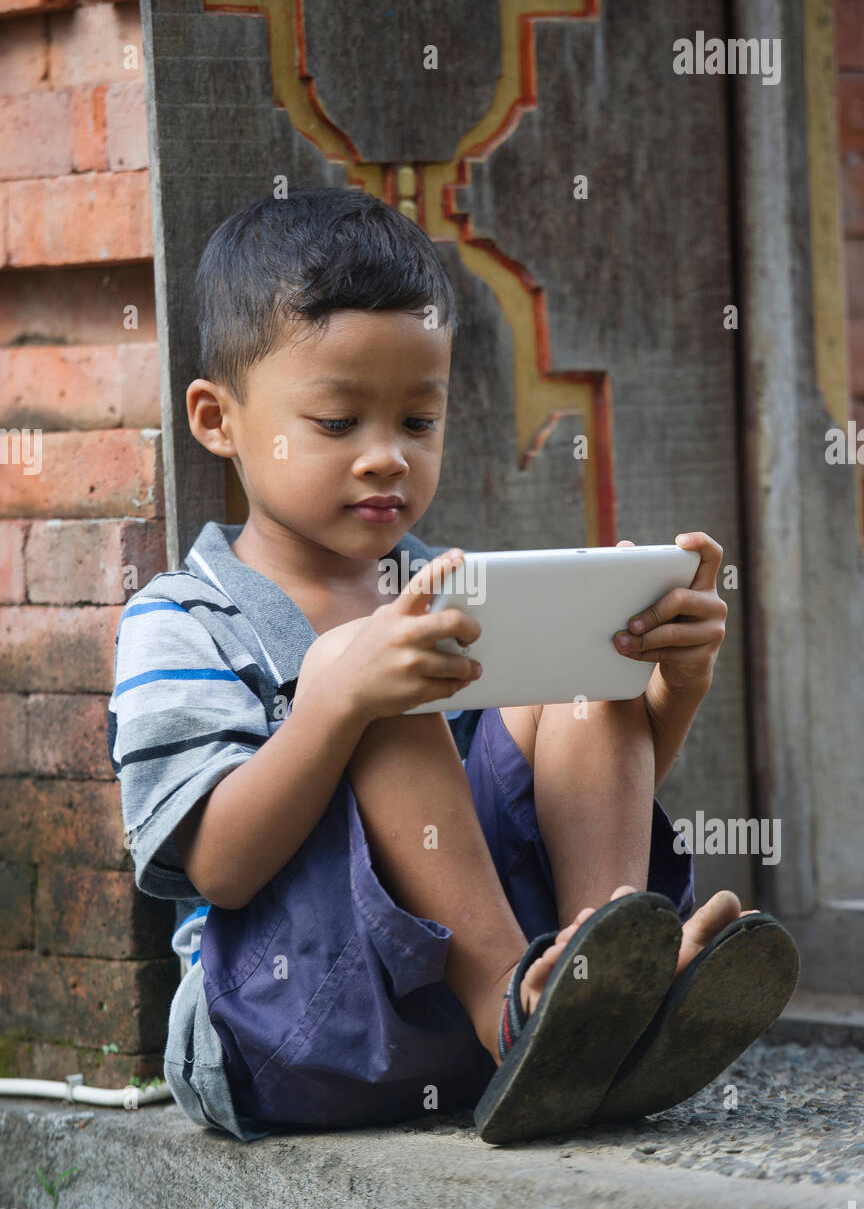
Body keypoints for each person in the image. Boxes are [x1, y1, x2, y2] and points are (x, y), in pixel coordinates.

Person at [108, 187, 798, 1145]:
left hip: (455, 1009)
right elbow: (214, 870)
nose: (386, 457)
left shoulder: (461, 592)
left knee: (576, 675)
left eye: (418, 423)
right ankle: (519, 1007)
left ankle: (595, 990)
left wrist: (665, 687)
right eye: (339, 424)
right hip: (281, 1023)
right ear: (218, 419)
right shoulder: (182, 620)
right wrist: (336, 701)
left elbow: (542, 810)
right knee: (375, 675)